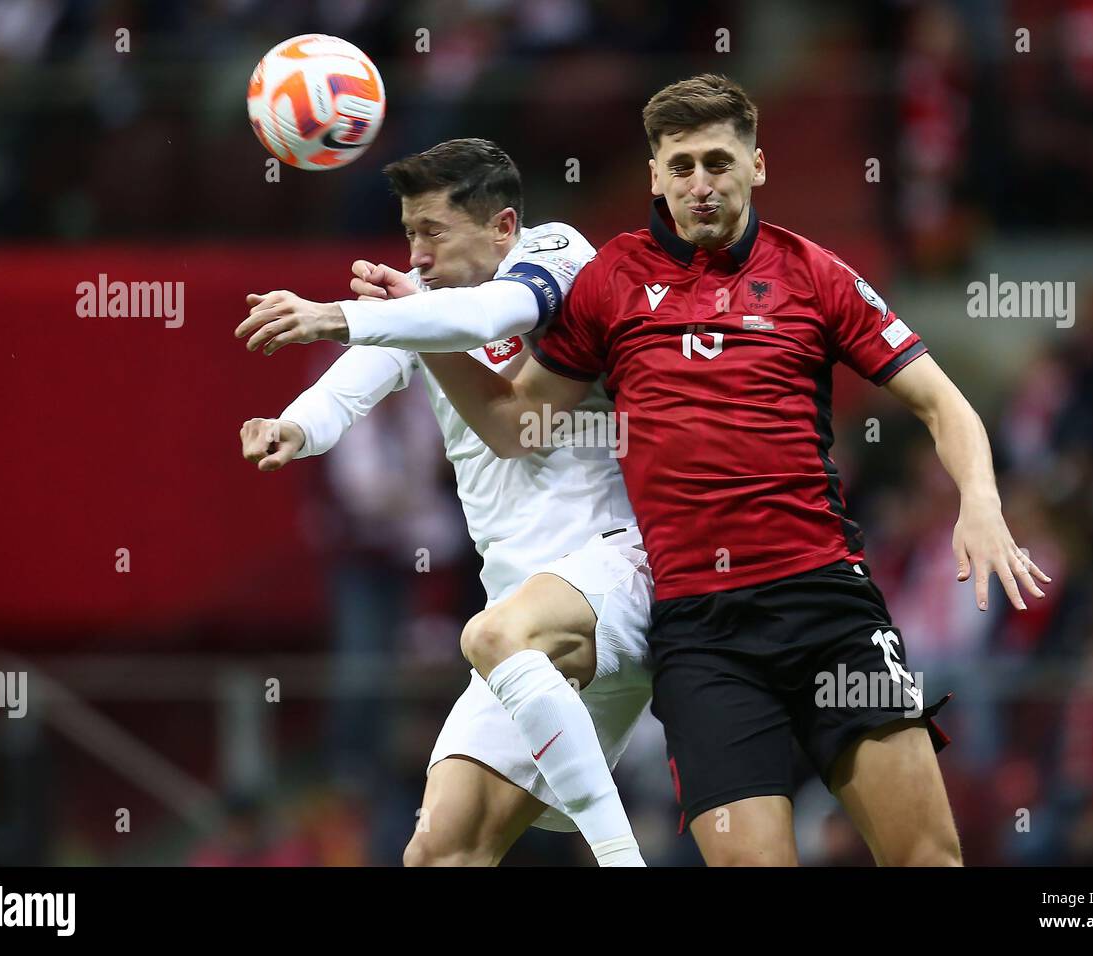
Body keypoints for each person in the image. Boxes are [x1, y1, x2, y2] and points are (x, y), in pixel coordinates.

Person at [315, 76, 1053, 866]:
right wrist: (416, 329)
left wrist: (981, 503)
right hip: (701, 635)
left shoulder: (814, 275)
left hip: (829, 607)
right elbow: (510, 424)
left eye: (718, 162)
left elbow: (946, 405)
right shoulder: (609, 285)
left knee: (929, 857)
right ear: (655, 176)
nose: (701, 184)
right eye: (683, 166)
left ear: (756, 165)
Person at [235, 139, 653, 866]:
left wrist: (336, 313)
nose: (417, 254)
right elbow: (354, 381)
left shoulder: (557, 254)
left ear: (501, 226)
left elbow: (491, 316)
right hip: (521, 615)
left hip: (617, 571)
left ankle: (624, 860)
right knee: (439, 851)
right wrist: (294, 427)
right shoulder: (425, 310)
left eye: (432, 231)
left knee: (492, 636)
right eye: (409, 234)